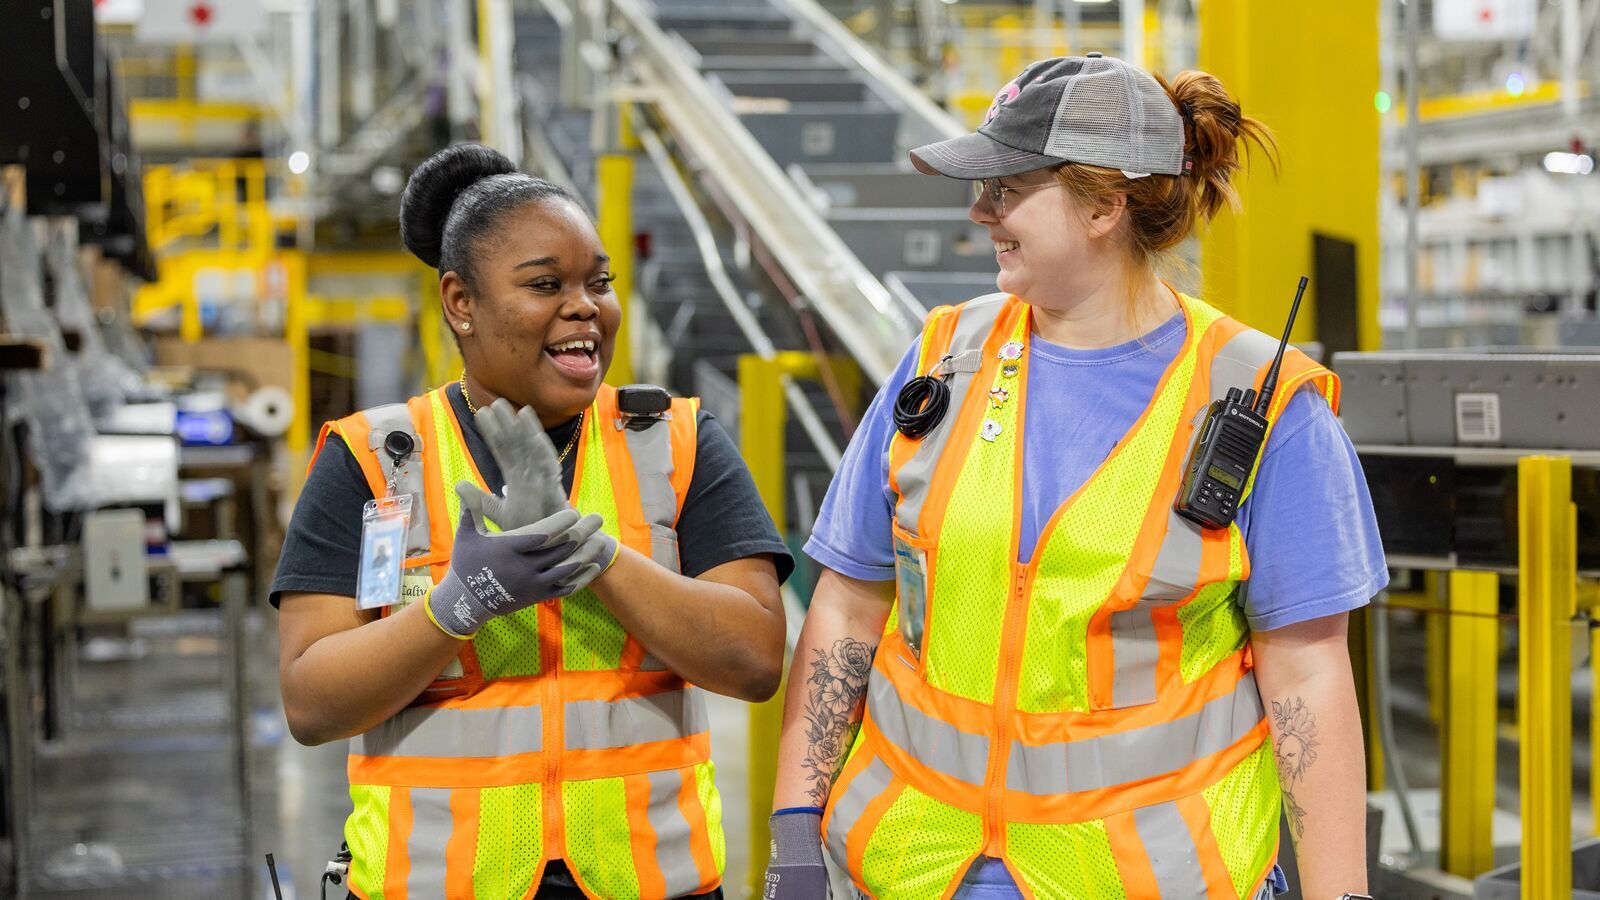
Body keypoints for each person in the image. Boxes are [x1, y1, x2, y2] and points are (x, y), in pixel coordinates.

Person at [763, 56, 1385, 900]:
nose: (979, 211)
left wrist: (1339, 894)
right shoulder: (944, 358)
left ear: (1105, 204)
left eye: (1008, 188)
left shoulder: (1261, 406)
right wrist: (795, 829)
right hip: (917, 866)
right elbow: (848, 600)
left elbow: (1308, 674)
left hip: (1152, 879)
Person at [274, 144, 793, 900]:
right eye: (546, 284)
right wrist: (459, 605)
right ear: (461, 303)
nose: (585, 306)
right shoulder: (376, 459)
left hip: (650, 884)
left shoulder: (675, 442)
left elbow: (754, 661)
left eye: (599, 282)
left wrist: (594, 554)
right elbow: (312, 703)